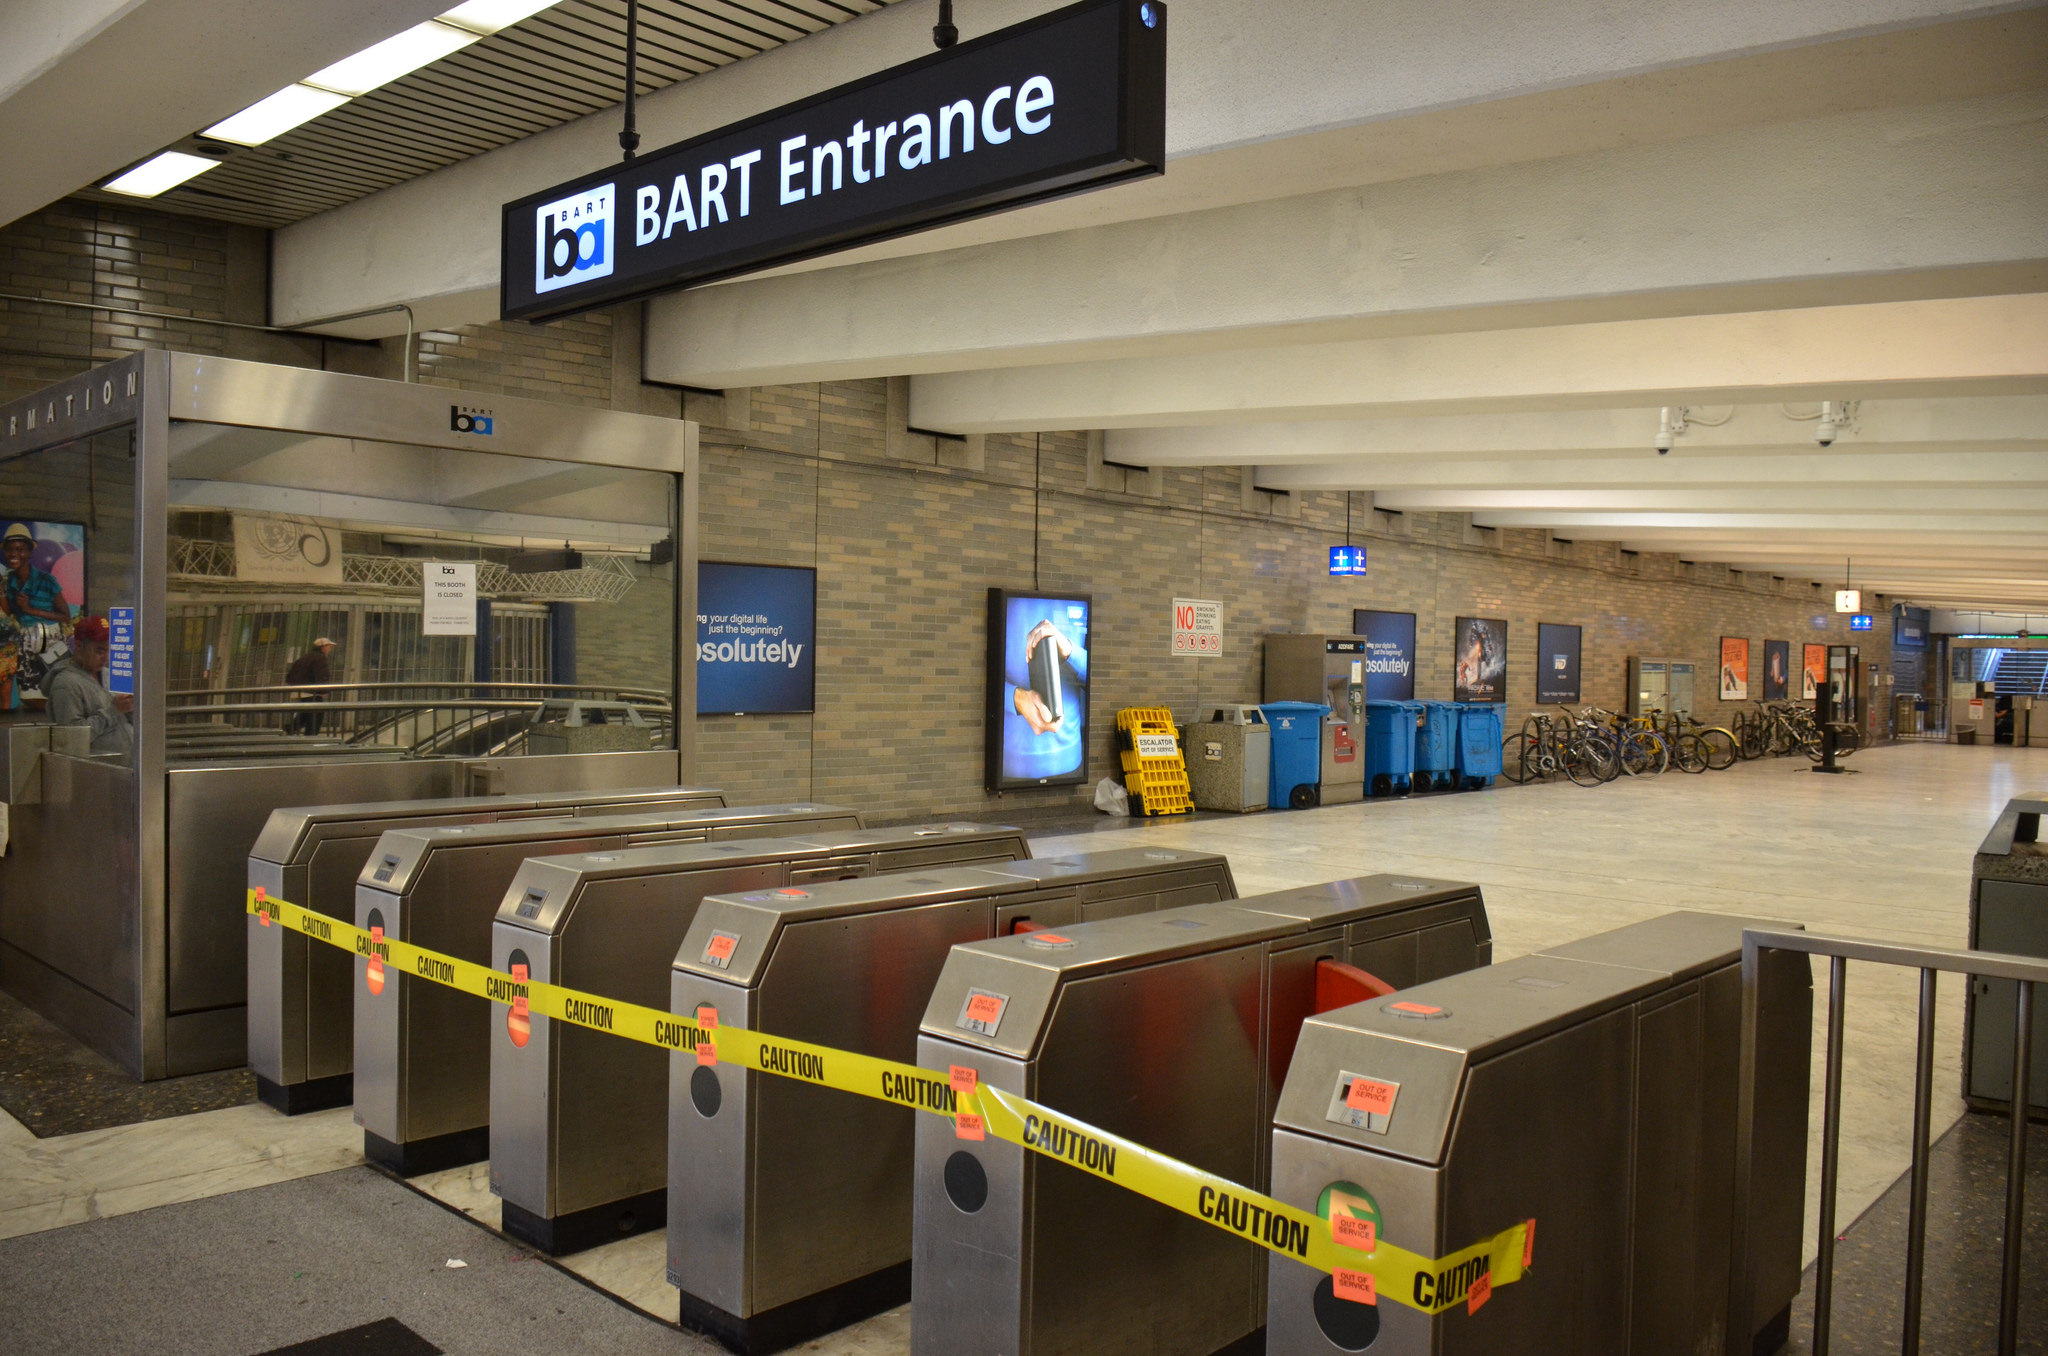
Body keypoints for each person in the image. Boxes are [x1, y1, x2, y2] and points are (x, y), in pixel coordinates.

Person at [43, 614, 132, 758]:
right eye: (99, 651)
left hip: (125, 764)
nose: (106, 658)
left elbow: (126, 720)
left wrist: (131, 708)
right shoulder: (66, 684)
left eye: (109, 651)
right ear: (78, 646)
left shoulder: (110, 675)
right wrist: (113, 711)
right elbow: (71, 737)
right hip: (95, 769)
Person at [3, 523, 69, 624]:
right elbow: (9, 612)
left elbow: (65, 617)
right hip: (23, 637)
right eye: (8, 549)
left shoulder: (47, 580)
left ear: (30, 552)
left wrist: (29, 609)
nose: (13, 554)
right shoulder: (10, 580)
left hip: (47, 638)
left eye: (20, 550)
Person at [285, 637, 337, 735]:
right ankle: (310, 738)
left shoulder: (304, 657)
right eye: (329, 647)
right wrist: (323, 691)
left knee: (304, 715)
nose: (330, 649)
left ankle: (285, 732)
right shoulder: (320, 658)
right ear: (323, 647)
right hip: (311, 692)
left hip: (298, 691)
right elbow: (321, 676)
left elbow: (289, 677)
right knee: (316, 717)